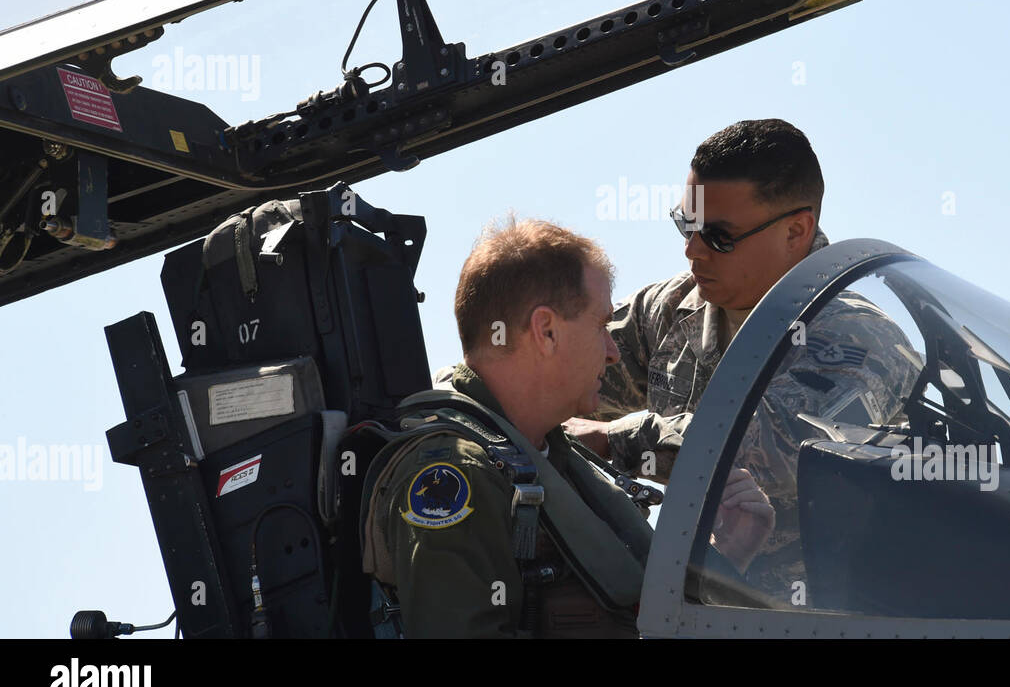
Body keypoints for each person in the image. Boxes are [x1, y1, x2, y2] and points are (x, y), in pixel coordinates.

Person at [360, 217, 774, 637]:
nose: (613, 352)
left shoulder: (553, 458)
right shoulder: (456, 474)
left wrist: (726, 556)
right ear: (546, 332)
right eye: (601, 326)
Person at [565, 119, 920, 590]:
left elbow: (769, 448)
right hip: (705, 602)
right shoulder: (670, 310)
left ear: (796, 231)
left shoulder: (857, 336)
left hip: (821, 617)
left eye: (718, 236)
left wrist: (614, 440)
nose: (693, 251)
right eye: (685, 224)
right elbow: (555, 366)